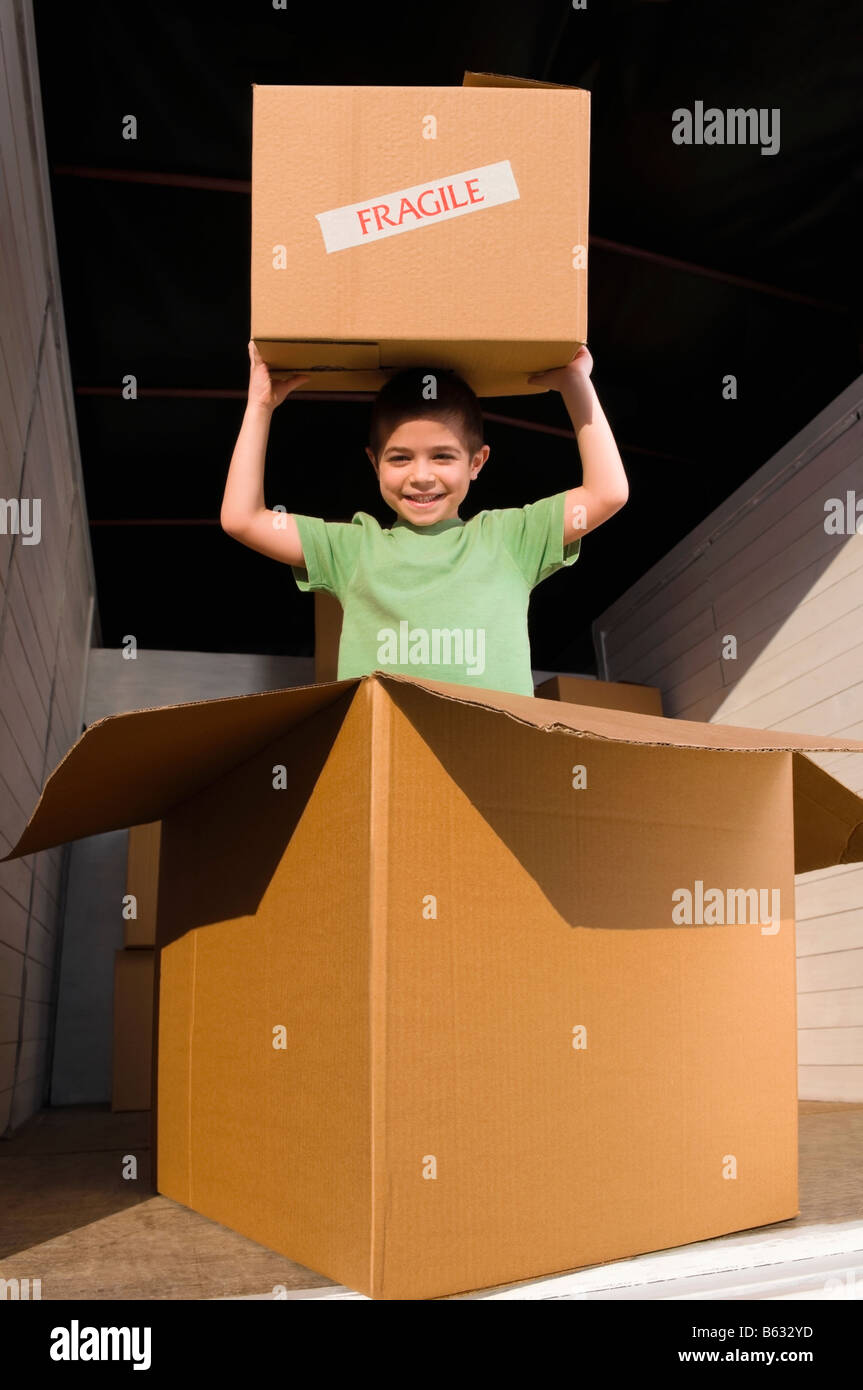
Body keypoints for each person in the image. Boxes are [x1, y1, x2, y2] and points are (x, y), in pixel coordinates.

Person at [220, 342, 629, 696]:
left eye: (442, 456)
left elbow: (606, 493)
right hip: (387, 767)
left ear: (476, 462)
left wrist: (576, 384)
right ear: (374, 463)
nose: (420, 476)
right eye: (399, 458)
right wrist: (260, 407)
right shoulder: (353, 548)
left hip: (489, 766)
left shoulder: (511, 538)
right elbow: (243, 519)